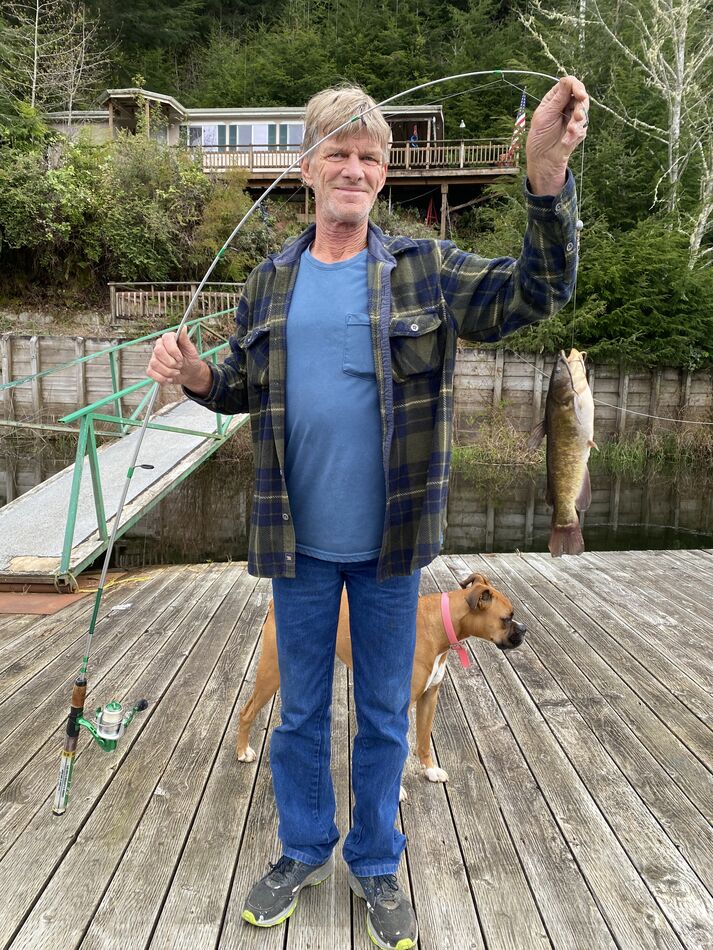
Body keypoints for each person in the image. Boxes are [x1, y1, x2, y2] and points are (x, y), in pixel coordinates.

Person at [147, 77, 588, 950]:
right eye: (338, 154)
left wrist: (545, 177)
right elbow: (239, 381)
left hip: (392, 549)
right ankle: (304, 847)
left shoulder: (423, 266)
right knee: (302, 710)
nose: (354, 168)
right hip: (296, 545)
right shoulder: (268, 281)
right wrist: (197, 374)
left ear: (383, 175)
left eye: (369, 157)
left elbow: (534, 295)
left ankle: (376, 863)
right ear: (307, 167)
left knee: (386, 711)